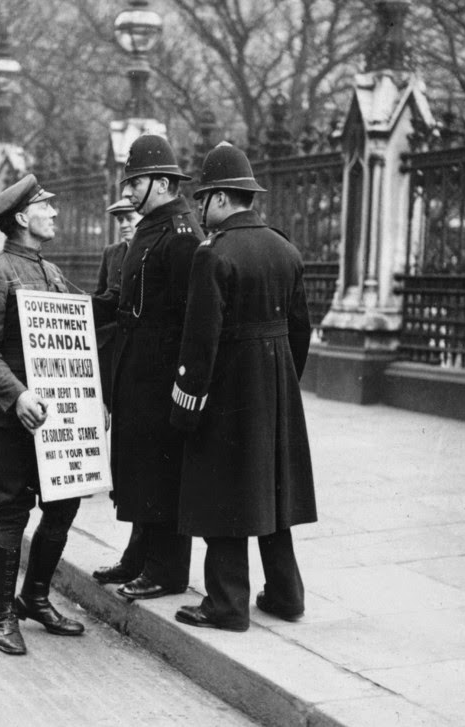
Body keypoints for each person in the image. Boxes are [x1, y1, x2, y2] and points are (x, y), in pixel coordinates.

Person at [169, 143, 317, 632]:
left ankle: (227, 604)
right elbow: (301, 329)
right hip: (276, 387)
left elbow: (200, 341)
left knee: (223, 491)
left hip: (230, 388)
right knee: (274, 489)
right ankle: (287, 594)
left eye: (202, 198)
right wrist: (282, 382)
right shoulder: (286, 249)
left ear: (219, 198)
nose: (198, 209)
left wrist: (187, 405)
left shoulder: (213, 255)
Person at [0, 174, 85, 656]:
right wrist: (16, 396)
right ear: (20, 218)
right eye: (45, 206)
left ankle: (34, 597)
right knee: (13, 511)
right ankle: (2, 616)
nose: (54, 213)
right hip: (11, 419)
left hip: (54, 419)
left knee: (63, 504)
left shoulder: (52, 273)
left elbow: (77, 333)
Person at [91, 134, 202, 600]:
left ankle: (166, 570)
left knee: (160, 470)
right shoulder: (152, 227)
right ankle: (139, 556)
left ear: (161, 182)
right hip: (137, 369)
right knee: (138, 467)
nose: (130, 192)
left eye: (135, 182)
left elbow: (189, 316)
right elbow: (123, 299)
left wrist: (178, 380)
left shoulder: (181, 234)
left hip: (159, 374)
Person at [94, 198, 141, 406]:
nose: (123, 225)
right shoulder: (111, 252)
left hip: (135, 347)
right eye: (120, 220)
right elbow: (100, 294)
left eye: (129, 219)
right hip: (109, 348)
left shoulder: (151, 251)